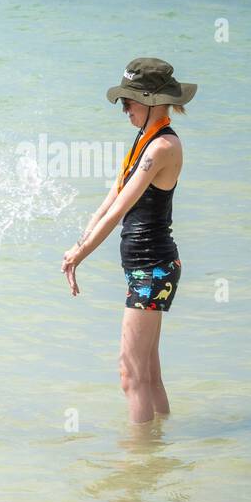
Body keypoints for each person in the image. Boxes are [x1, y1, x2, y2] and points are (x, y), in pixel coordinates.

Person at [62, 58, 196, 424]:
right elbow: (111, 197)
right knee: (148, 375)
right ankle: (159, 451)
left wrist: (80, 255)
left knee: (130, 376)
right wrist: (79, 244)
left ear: (152, 99)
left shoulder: (162, 148)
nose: (124, 110)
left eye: (128, 101)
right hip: (148, 269)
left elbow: (121, 209)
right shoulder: (145, 139)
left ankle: (137, 462)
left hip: (151, 271)